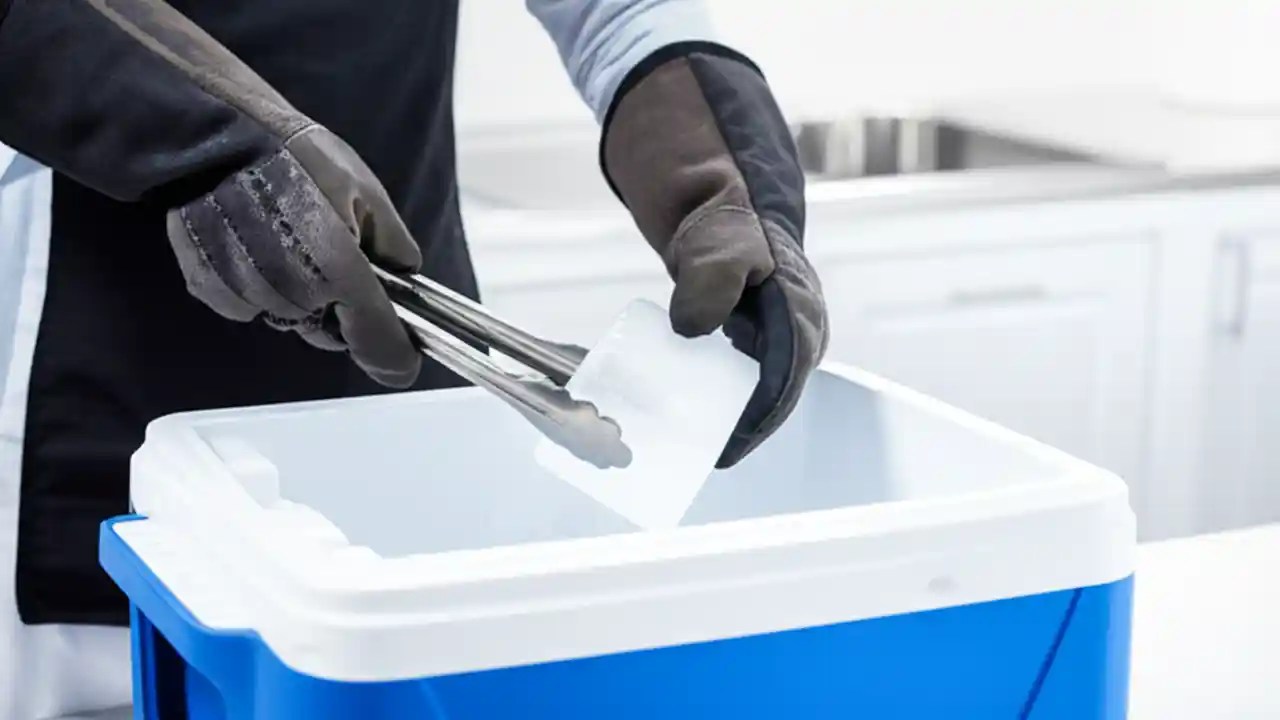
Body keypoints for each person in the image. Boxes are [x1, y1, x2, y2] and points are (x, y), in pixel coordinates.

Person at [0, 0, 828, 715]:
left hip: (403, 405)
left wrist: (727, 177)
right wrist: (202, 135)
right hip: (93, 406)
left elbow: (621, 13)